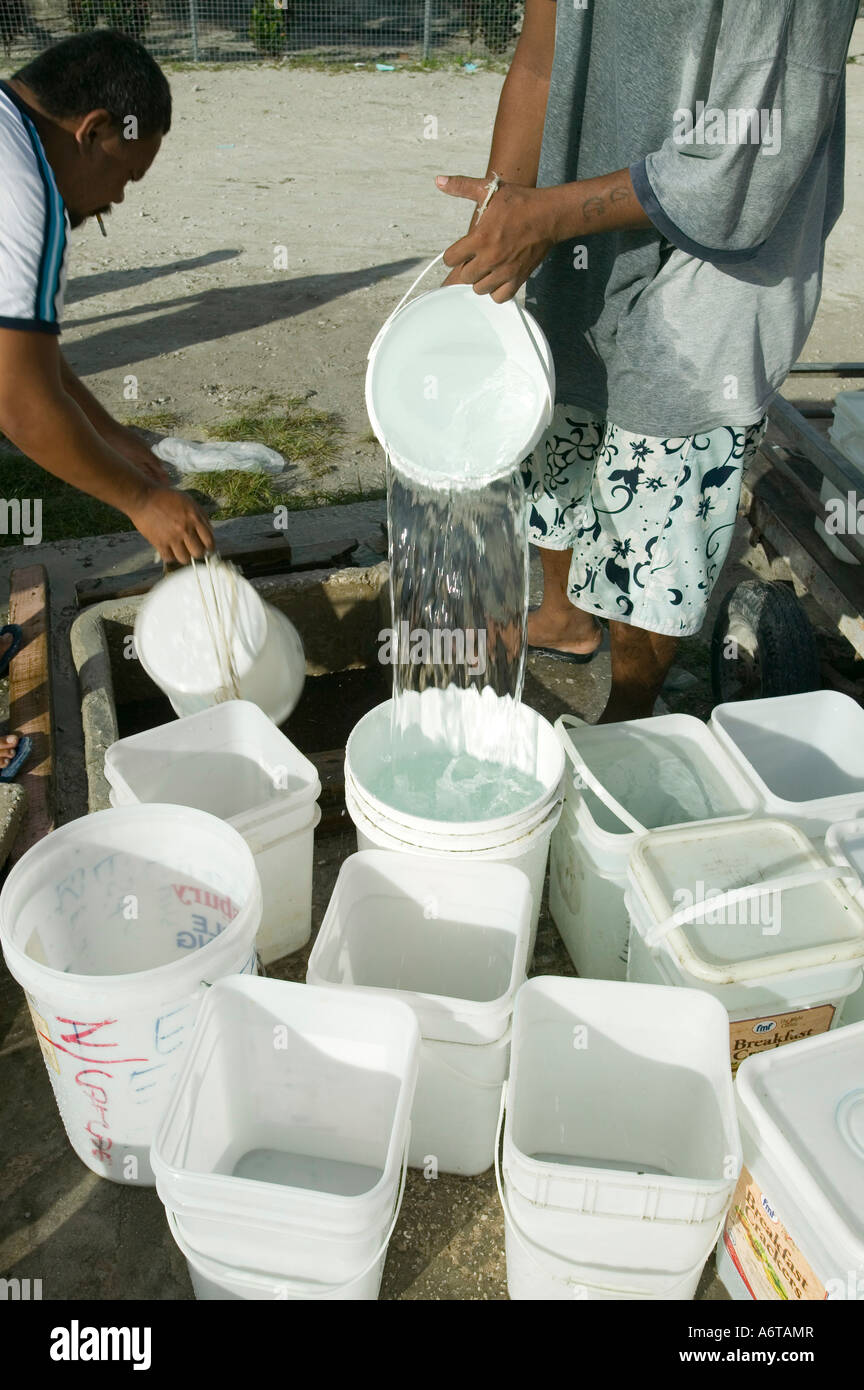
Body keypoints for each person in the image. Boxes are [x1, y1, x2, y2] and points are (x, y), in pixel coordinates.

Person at [436, 0, 858, 721]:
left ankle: (629, 716)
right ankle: (566, 618)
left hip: (723, 261)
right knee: (564, 410)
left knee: (659, 484)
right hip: (576, 214)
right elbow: (542, 57)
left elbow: (746, 164)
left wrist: (542, 217)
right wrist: (503, 215)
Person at [0, 30, 213, 771]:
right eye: (126, 174)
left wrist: (111, 432)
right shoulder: (28, 195)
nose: (117, 199)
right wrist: (140, 503)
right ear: (93, 132)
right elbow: (21, 405)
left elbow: (25, 354)